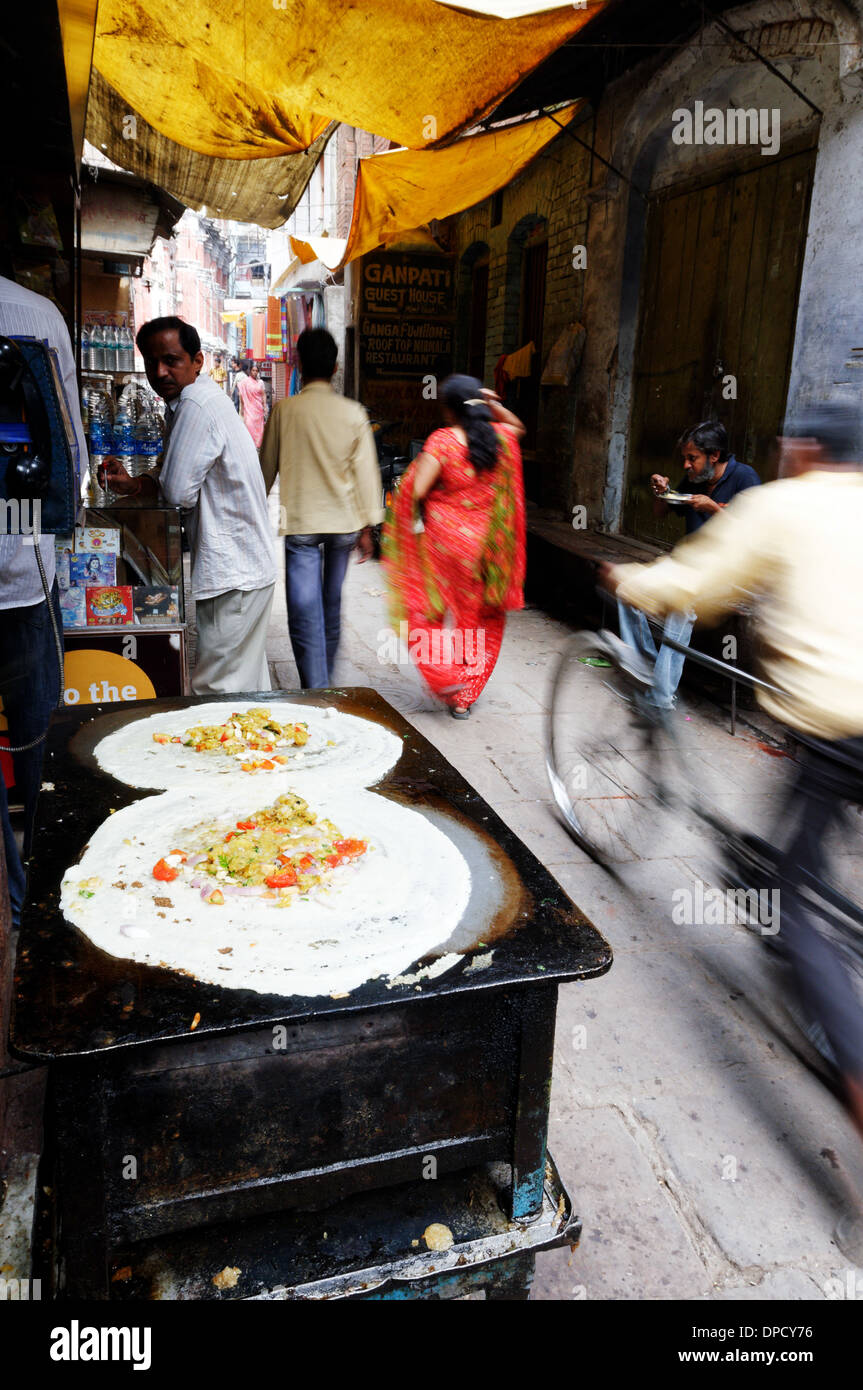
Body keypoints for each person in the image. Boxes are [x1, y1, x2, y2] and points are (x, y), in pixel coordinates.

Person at [601, 400, 863, 1189]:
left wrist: (627, 578)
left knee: (785, 901)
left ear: (808, 451)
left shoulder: (780, 504)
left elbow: (699, 578)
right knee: (806, 856)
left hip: (835, 729)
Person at [101, 317, 277, 694]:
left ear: (197, 360)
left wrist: (152, 483)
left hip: (234, 574)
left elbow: (178, 492)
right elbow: (170, 471)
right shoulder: (190, 402)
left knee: (217, 690)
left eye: (172, 360)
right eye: (151, 362)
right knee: (245, 688)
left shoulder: (196, 403)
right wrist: (134, 484)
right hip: (245, 570)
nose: (160, 371)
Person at [0, 274, 87, 928]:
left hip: (21, 571)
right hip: (19, 572)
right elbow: (70, 455)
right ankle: (48, 902)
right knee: (39, 745)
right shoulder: (31, 314)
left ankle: (18, 904)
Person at [382, 374, 526, 718]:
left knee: (424, 611)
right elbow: (517, 425)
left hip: (444, 548)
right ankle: (465, 696)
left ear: (448, 410)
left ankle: (444, 676)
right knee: (479, 622)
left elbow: (416, 491)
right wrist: (492, 402)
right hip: (488, 550)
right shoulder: (501, 439)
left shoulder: (443, 442)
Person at [260, 328, 382, 690]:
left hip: (300, 526)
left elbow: (265, 470)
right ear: (335, 368)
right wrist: (367, 528)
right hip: (344, 525)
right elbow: (366, 474)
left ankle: (315, 687)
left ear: (299, 363)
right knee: (331, 603)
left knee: (303, 610)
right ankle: (324, 681)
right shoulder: (353, 413)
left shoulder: (285, 411)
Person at [617, 420, 761, 708]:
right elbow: (661, 512)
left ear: (714, 456)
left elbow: (755, 537)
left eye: (691, 458)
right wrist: (661, 489)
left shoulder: (745, 478)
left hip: (731, 576)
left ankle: (660, 698)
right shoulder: (695, 478)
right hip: (689, 568)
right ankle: (648, 669)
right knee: (627, 589)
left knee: (681, 608)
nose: (686, 464)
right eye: (685, 458)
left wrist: (713, 509)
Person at [236, 361, 268, 449]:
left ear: (258, 372)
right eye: (253, 370)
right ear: (250, 371)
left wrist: (264, 406)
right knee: (249, 425)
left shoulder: (260, 382)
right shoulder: (245, 382)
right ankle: (250, 445)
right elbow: (241, 394)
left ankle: (258, 445)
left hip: (258, 409)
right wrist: (242, 408)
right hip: (249, 409)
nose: (254, 372)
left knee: (259, 428)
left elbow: (263, 394)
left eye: (256, 371)